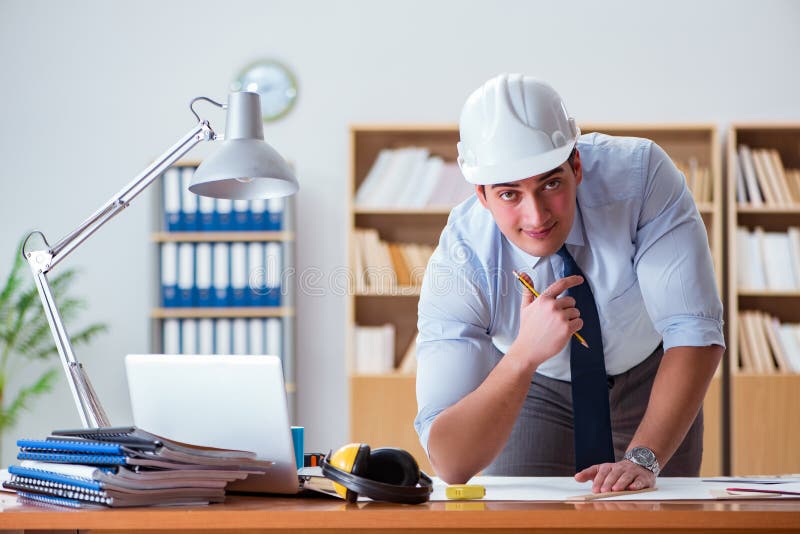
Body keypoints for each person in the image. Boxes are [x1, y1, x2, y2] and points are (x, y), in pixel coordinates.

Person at [414, 74, 724, 493]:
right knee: (522, 521)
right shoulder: (462, 258)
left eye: (551, 184)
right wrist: (524, 354)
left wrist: (643, 458)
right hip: (530, 388)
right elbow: (450, 461)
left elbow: (693, 329)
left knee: (656, 517)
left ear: (576, 165)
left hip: (651, 378)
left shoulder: (642, 177)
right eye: (509, 195)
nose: (537, 216)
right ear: (481, 195)